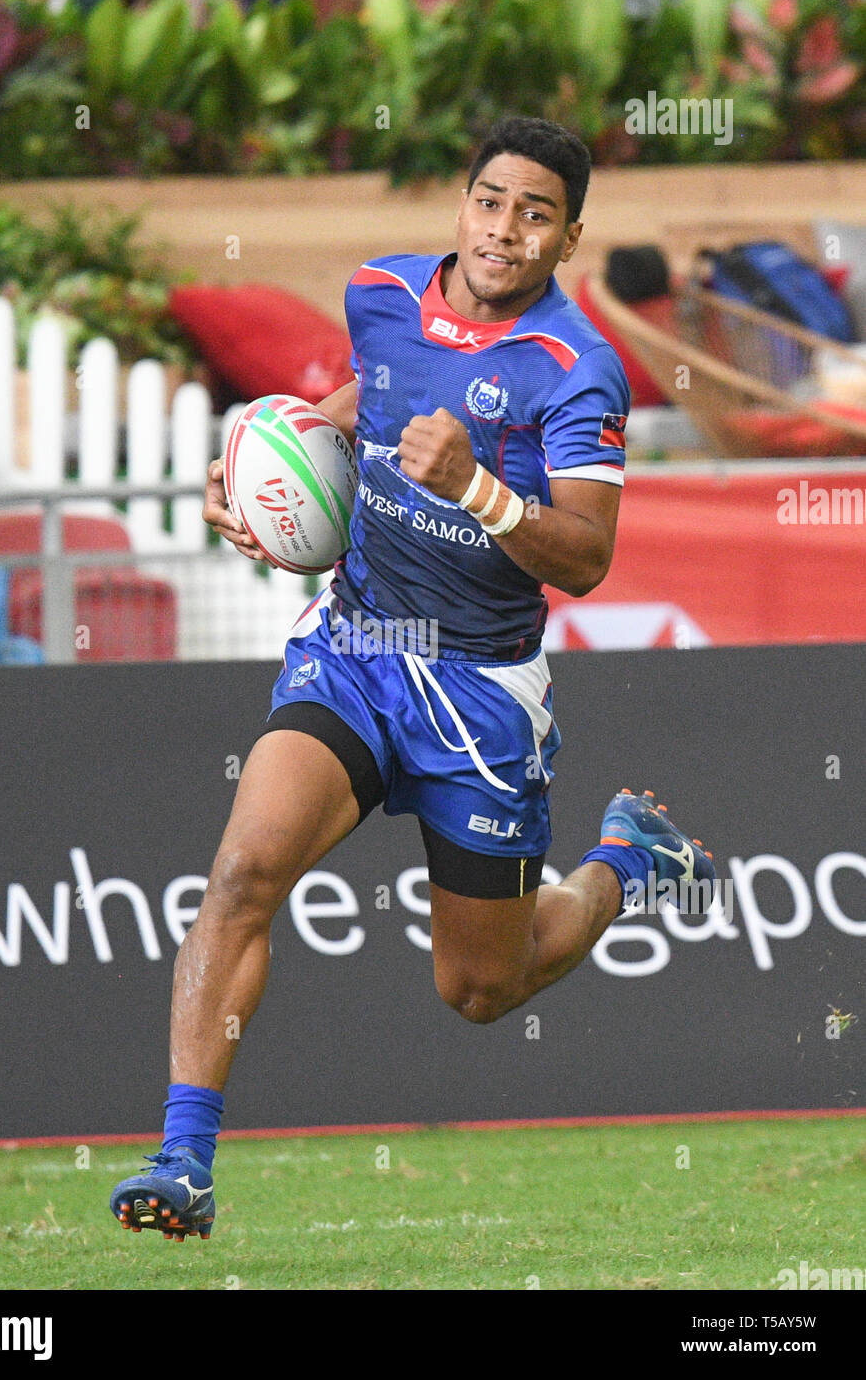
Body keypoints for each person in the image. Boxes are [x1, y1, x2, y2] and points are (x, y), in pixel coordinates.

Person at [109, 115, 715, 1241]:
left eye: (535, 212)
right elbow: (363, 402)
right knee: (242, 870)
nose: (504, 227)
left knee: (482, 989)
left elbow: (585, 555)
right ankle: (182, 1162)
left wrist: (478, 489)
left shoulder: (576, 369)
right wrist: (262, 477)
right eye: (490, 199)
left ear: (567, 237)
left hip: (481, 691)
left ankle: (627, 857)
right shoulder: (380, 290)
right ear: (463, 203)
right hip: (357, 643)